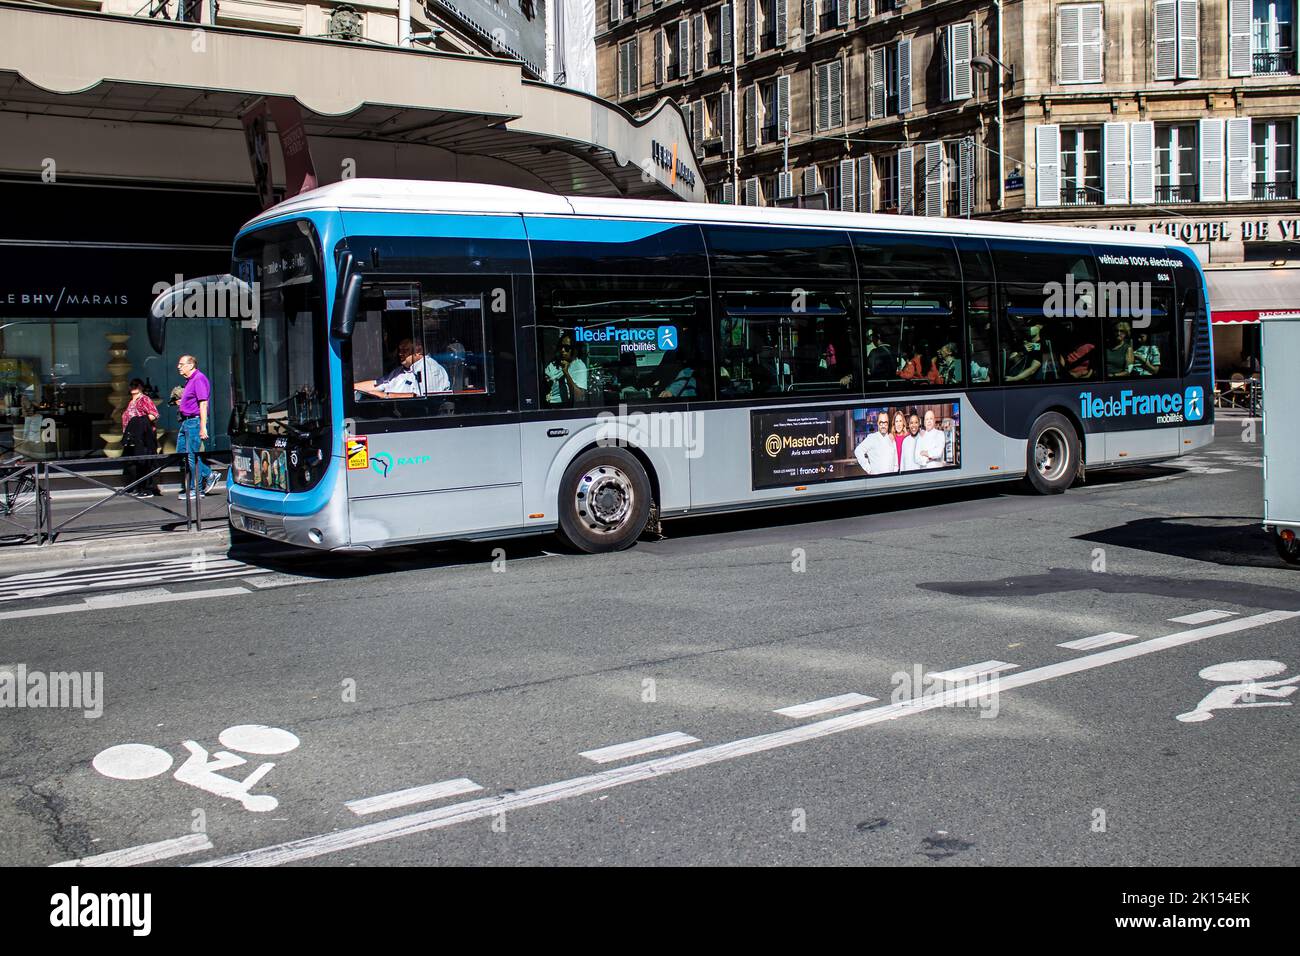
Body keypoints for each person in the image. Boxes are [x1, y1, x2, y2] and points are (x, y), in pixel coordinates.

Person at [176, 354, 219, 499]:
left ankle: (197, 490)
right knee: (182, 452)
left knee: (191, 456)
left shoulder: (199, 378)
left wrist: (203, 426)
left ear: (191, 365)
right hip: (186, 422)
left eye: (181, 364)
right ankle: (208, 474)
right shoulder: (190, 380)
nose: (179, 367)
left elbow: (203, 403)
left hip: (194, 422)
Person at [355, 339, 449, 399]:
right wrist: (350, 387)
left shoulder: (430, 369)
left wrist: (386, 395)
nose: (400, 354)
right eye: (400, 350)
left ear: (419, 351)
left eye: (405, 351)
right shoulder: (400, 371)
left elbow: (424, 397)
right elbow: (378, 384)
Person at [121, 378, 161, 498]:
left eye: (136, 385)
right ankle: (138, 487)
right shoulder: (131, 401)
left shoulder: (144, 399)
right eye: (131, 385)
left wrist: (138, 423)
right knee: (133, 463)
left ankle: (148, 488)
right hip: (133, 438)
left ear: (141, 387)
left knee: (145, 461)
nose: (133, 387)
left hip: (144, 436)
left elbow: (154, 415)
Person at [543, 334, 588, 405]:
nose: (562, 350)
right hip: (549, 404)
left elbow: (579, 397)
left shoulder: (578, 365)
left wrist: (566, 373)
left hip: (563, 406)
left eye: (566, 348)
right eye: (561, 347)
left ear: (573, 349)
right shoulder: (554, 363)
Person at [853, 410, 897, 475]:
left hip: (891, 480)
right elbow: (858, 451)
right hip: (876, 480)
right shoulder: (872, 438)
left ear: (888, 424)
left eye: (885, 422)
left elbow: (895, 461)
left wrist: (894, 474)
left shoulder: (891, 439)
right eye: (881, 422)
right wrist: (869, 469)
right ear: (877, 423)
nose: (883, 425)